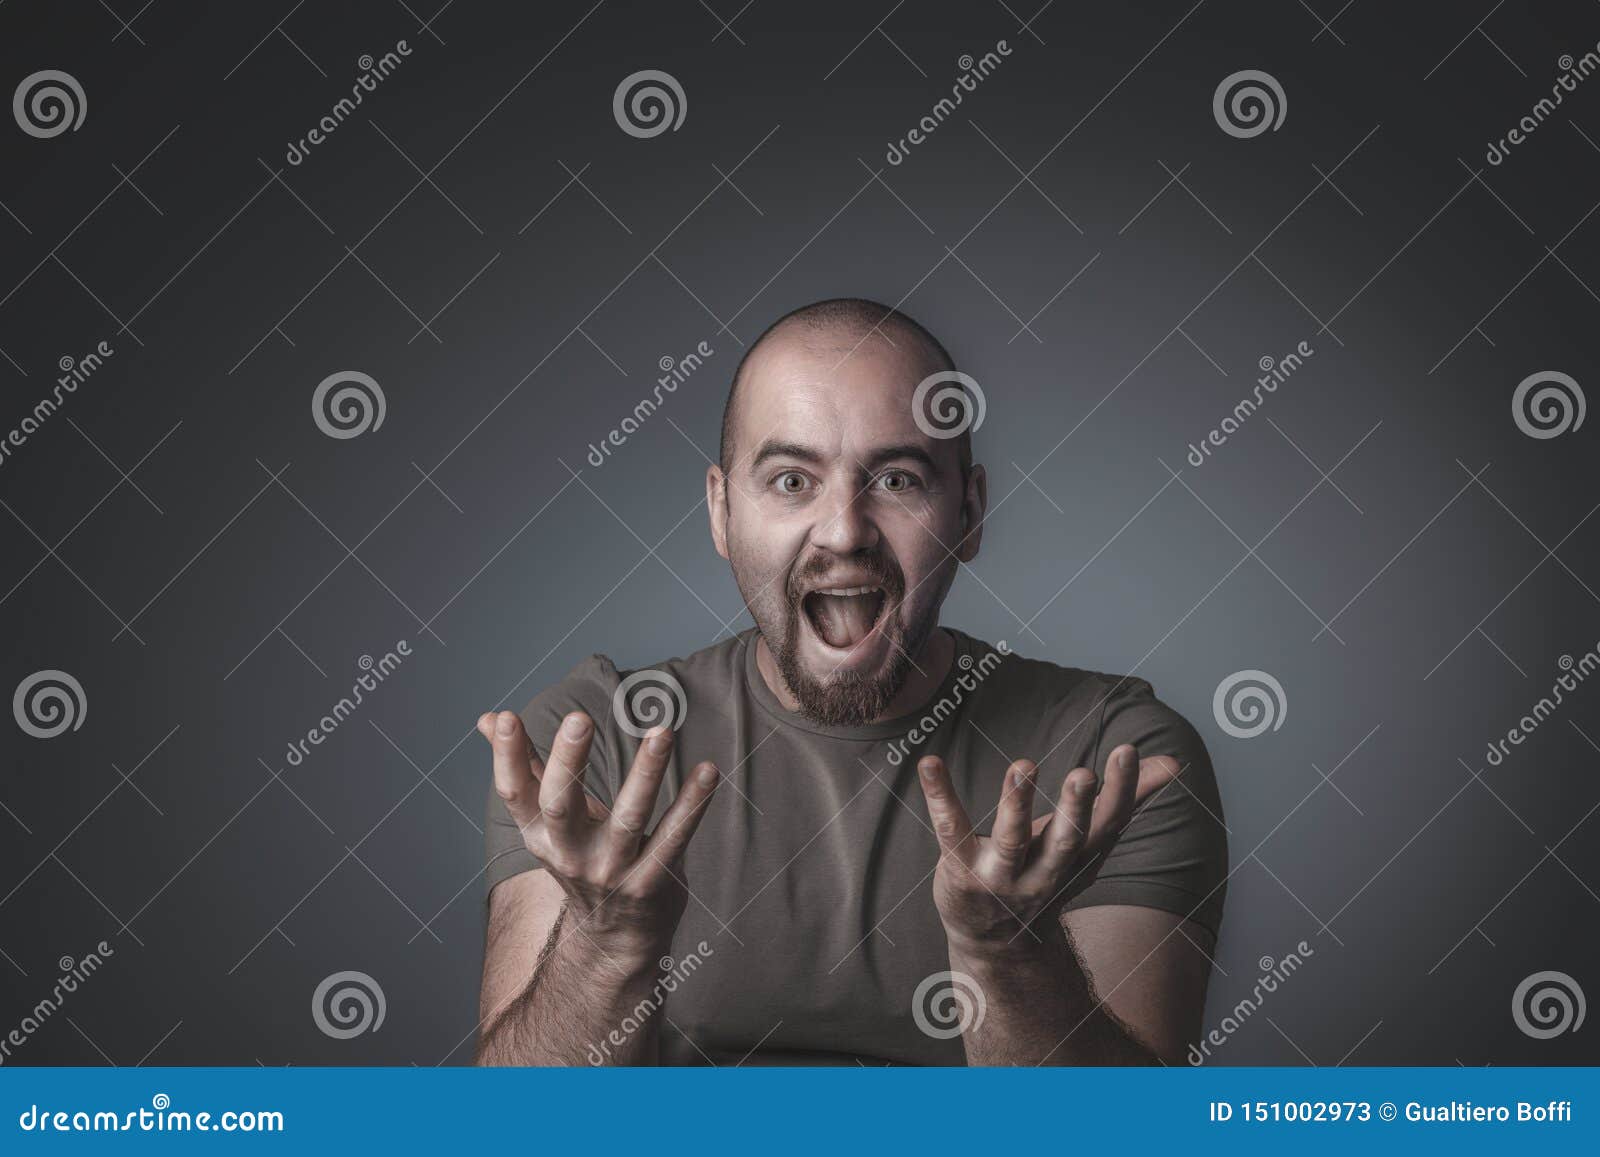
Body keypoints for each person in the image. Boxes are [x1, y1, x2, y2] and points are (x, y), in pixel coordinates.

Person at [474, 298, 1228, 1065]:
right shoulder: (593, 743)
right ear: (721, 511)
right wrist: (604, 945)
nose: (843, 529)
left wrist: (1008, 954)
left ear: (968, 512)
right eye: (792, 480)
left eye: (897, 478)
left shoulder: (1114, 758)